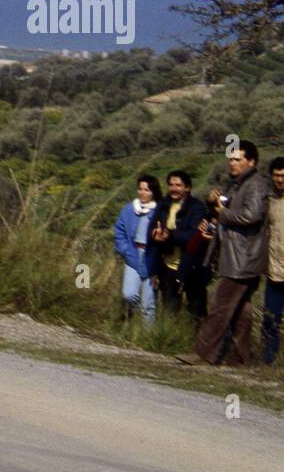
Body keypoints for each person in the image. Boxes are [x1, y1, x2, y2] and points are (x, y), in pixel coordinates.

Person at [191, 141, 270, 365]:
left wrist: (222, 211)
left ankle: (202, 354)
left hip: (243, 257)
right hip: (238, 256)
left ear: (251, 162)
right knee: (241, 312)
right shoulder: (237, 184)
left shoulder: (256, 184)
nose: (232, 163)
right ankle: (239, 358)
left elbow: (250, 215)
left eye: (238, 159)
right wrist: (213, 203)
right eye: (231, 159)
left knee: (220, 306)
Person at [148, 170, 208, 318]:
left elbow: (194, 235)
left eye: (178, 185)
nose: (174, 188)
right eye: (171, 185)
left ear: (187, 188)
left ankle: (199, 340)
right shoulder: (162, 206)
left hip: (191, 267)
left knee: (196, 310)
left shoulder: (197, 207)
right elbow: (152, 230)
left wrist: (169, 235)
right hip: (168, 266)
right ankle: (170, 339)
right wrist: (155, 236)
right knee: (170, 311)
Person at [114, 175, 160, 325]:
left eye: (147, 190)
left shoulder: (159, 210)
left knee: (149, 302)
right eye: (140, 189)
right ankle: (131, 315)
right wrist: (125, 249)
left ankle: (148, 337)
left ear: (153, 191)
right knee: (128, 294)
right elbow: (119, 230)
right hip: (132, 255)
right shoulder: (129, 209)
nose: (143, 193)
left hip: (152, 259)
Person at [260, 156, 284, 366]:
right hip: (274, 271)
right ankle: (268, 361)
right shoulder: (269, 201)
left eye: (283, 176)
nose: (280, 180)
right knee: (270, 318)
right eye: (276, 176)